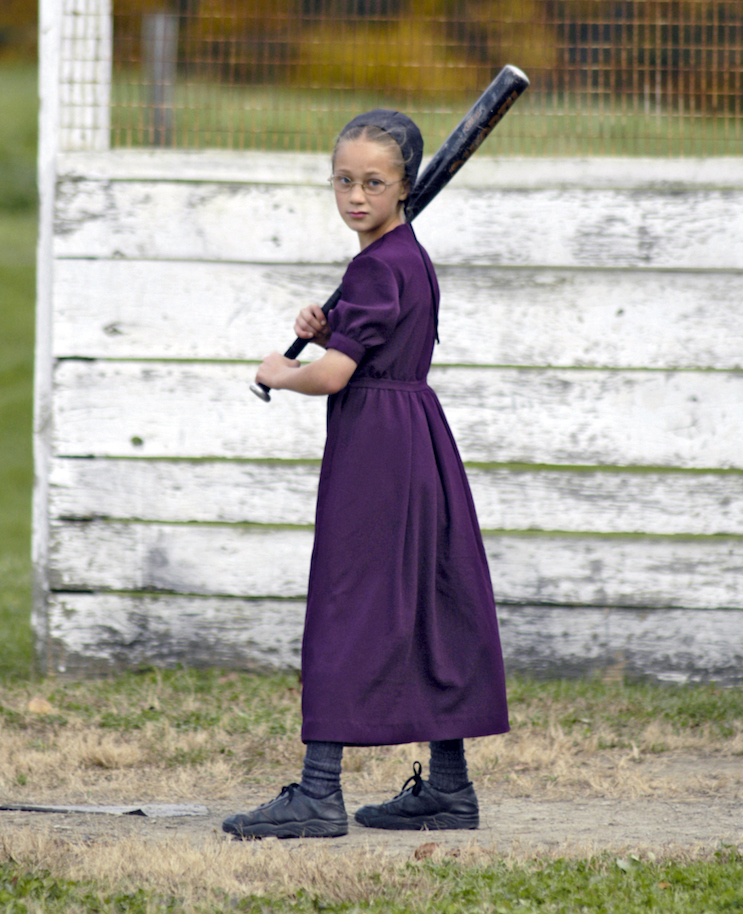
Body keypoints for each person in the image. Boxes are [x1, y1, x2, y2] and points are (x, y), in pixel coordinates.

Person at [222, 109, 509, 840]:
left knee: (346, 602)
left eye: (374, 183)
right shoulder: (406, 256)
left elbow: (335, 376)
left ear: (405, 185)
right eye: (343, 180)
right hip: (416, 436)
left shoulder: (376, 265)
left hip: (378, 448)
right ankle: (449, 788)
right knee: (426, 599)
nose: (355, 195)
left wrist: (282, 371)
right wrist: (335, 328)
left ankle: (319, 793)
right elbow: (376, 338)